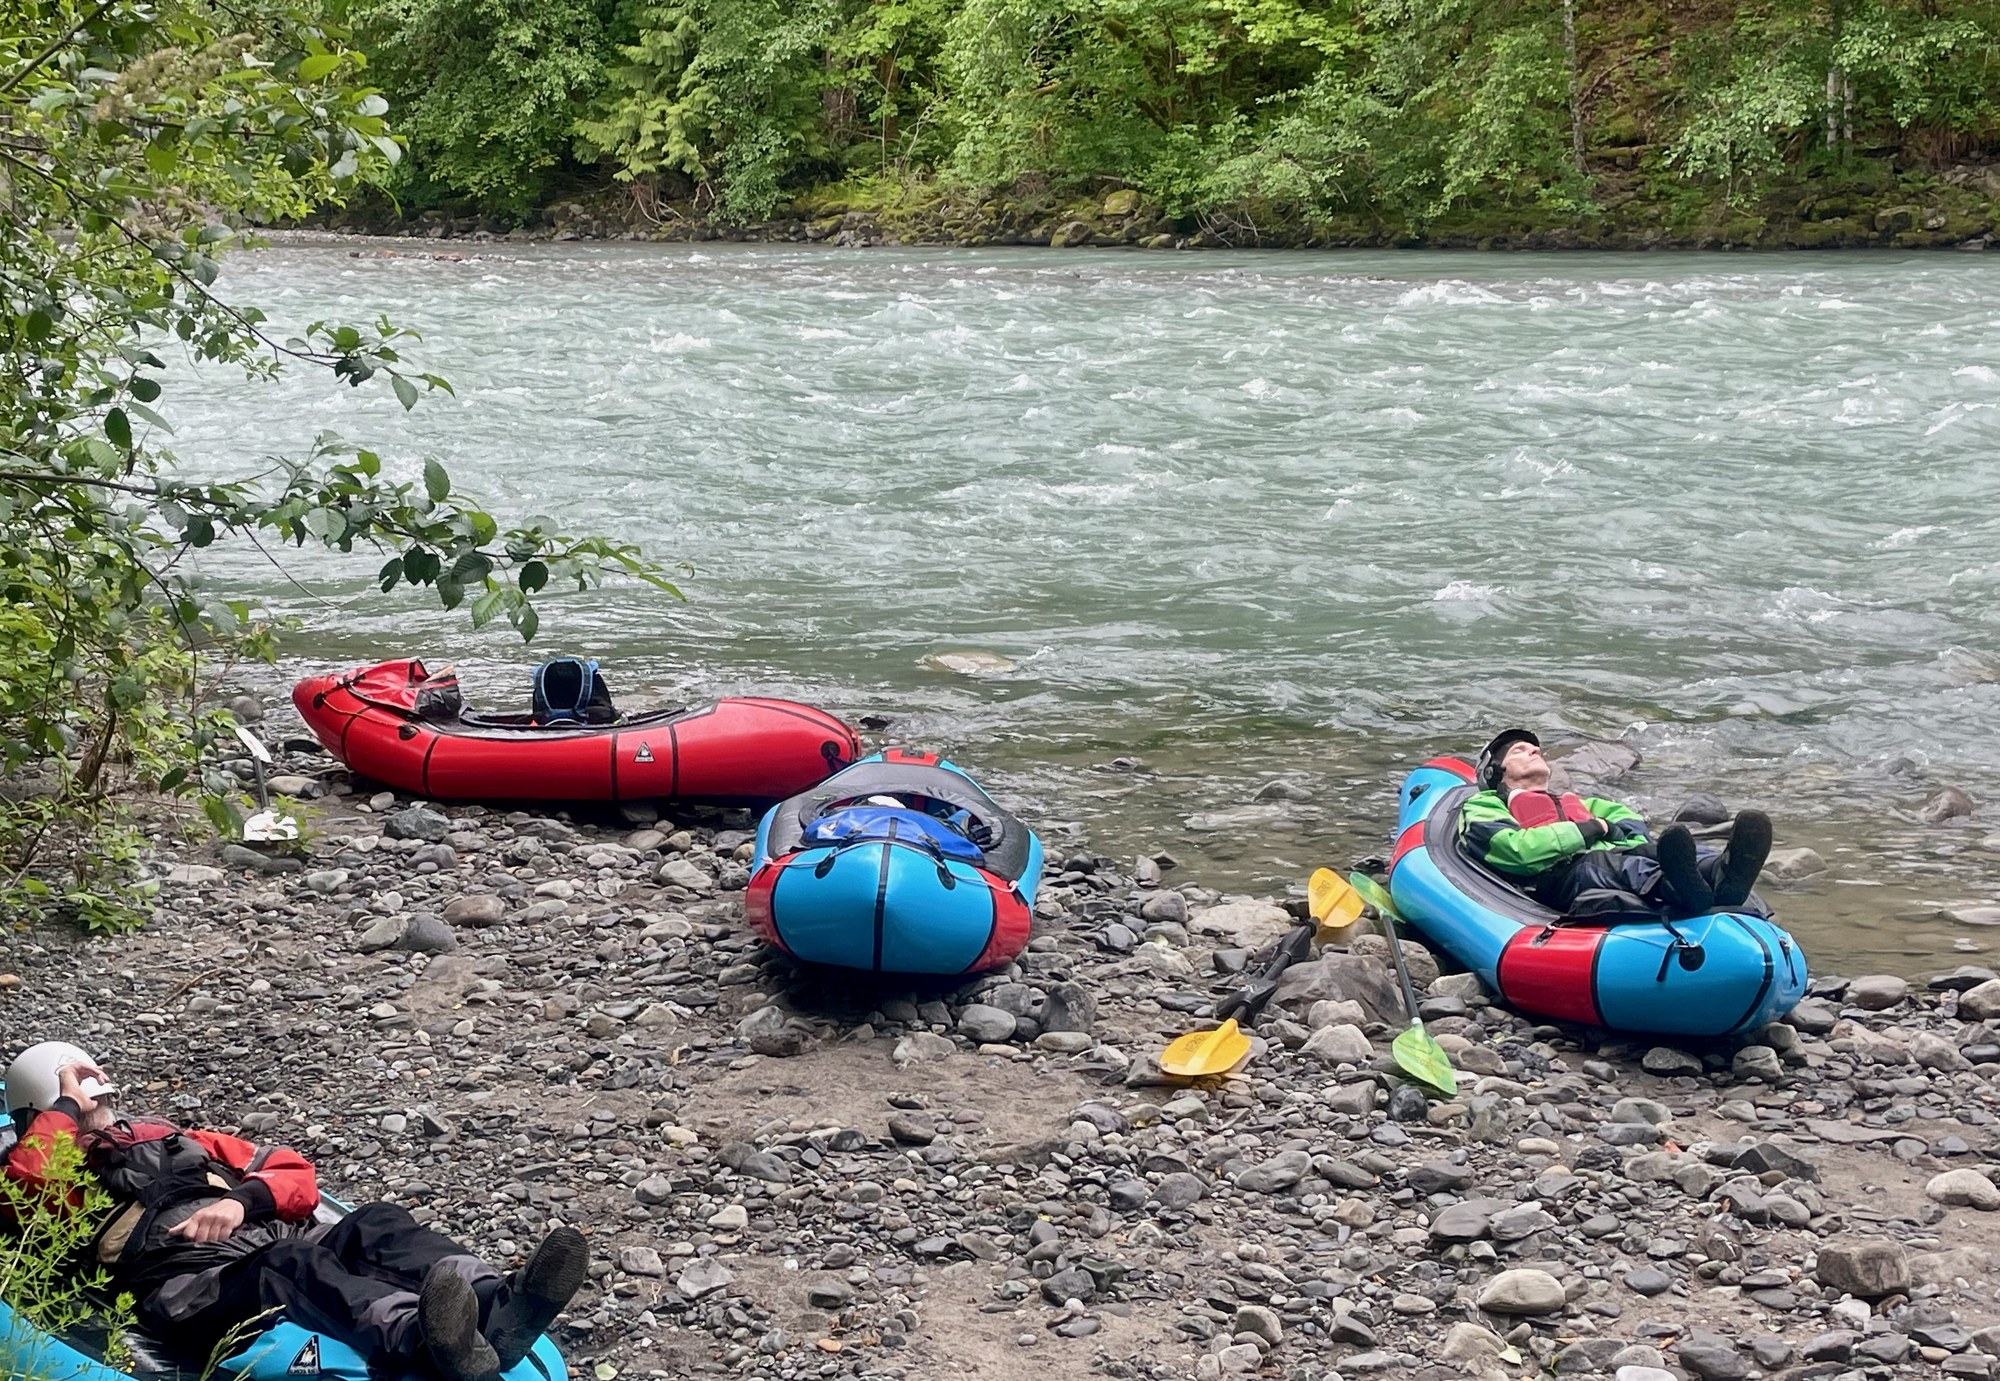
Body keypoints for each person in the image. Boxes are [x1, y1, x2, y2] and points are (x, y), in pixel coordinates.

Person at [1, 1042, 587, 1381]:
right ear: (45, 1113)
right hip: (189, 1288)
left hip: (264, 1237)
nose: (101, 1111)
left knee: (374, 1221)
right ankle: (422, 1337)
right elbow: (28, 1177)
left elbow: (294, 1172)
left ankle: (499, 1308)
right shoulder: (51, 1175)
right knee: (289, 1262)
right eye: (83, 1106)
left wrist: (241, 1199)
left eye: (100, 1100)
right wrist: (65, 1109)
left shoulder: (181, 1139)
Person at [1459, 728, 1773, 920]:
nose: (1535, 750)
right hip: (1555, 878)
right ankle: (1676, 888)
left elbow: (1628, 822)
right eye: (1520, 750)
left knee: (1651, 851)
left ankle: (1722, 872)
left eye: (1536, 748)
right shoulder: (1485, 805)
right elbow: (1516, 850)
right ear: (1496, 771)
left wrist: (1617, 831)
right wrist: (1592, 830)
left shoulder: (1579, 802)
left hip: (1614, 856)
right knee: (1607, 863)